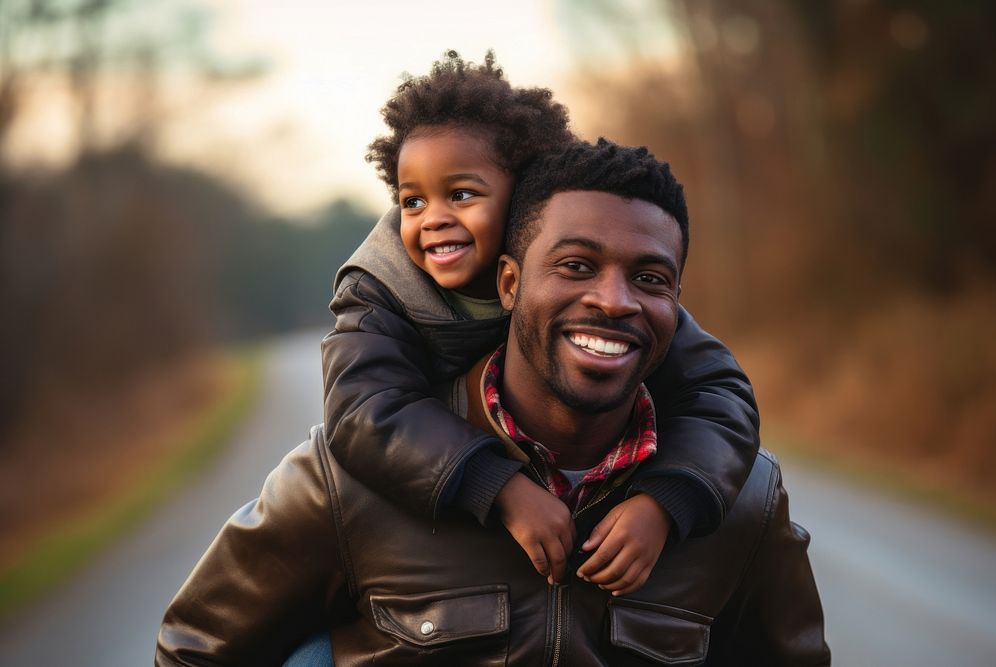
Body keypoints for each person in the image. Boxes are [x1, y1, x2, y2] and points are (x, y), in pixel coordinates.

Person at [156, 139, 829, 666]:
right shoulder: (352, 477)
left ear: (675, 305)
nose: (614, 300)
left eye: (649, 278)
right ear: (508, 282)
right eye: (576, 265)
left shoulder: (742, 498)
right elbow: (195, 650)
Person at [321, 51, 759, 594]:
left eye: (461, 194)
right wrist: (498, 485)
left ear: (524, 199)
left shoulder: (610, 295)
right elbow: (364, 409)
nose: (433, 217)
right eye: (412, 201)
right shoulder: (379, 291)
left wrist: (666, 501)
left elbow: (720, 394)